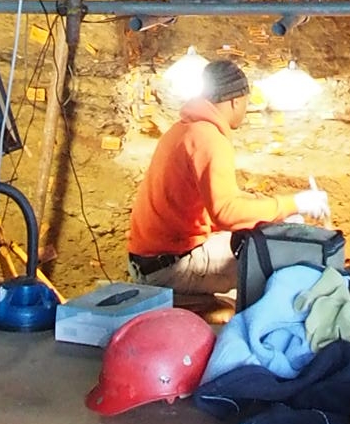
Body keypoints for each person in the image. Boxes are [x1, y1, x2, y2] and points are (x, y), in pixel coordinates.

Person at [127, 59, 329, 303]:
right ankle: (263, 329)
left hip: (152, 258)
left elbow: (225, 201)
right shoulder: (208, 139)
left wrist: (278, 214)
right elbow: (226, 212)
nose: (246, 109)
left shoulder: (186, 129)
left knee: (264, 238)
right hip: (169, 267)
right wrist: (296, 203)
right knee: (287, 255)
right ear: (235, 100)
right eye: (246, 102)